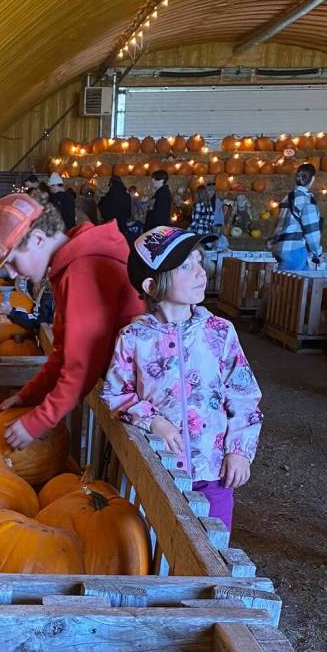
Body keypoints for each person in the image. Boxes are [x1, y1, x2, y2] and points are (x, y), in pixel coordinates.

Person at [101, 226, 263, 531]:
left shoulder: (219, 332)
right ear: (152, 286)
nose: (200, 272)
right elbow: (116, 393)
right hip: (157, 471)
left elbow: (244, 394)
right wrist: (153, 421)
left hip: (213, 472)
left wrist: (239, 450)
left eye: (199, 261)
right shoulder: (134, 337)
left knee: (212, 546)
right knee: (153, 543)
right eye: (186, 267)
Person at [0, 192, 143, 450]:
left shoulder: (81, 272)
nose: (12, 274)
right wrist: (28, 396)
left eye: (13, 262)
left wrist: (37, 422)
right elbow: (64, 352)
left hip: (142, 397)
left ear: (38, 239)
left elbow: (81, 366)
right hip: (126, 390)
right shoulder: (70, 264)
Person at [269, 163, 323, 271]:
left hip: (280, 247)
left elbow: (279, 223)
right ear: (312, 179)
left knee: (283, 279)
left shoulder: (287, 197)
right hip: (294, 250)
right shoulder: (306, 201)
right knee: (296, 280)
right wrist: (317, 252)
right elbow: (311, 230)